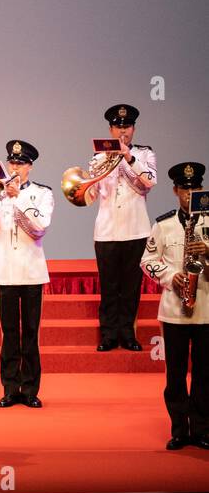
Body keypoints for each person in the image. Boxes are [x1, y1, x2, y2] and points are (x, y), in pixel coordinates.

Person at [0, 140, 53, 408]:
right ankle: (9, 387)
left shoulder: (42, 193)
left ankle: (29, 389)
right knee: (8, 333)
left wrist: (17, 200)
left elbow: (40, 227)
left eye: (20, 163)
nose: (15, 167)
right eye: (12, 162)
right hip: (5, 271)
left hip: (31, 272)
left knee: (30, 332)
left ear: (30, 166)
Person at [140, 162, 209, 450]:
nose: (189, 193)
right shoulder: (163, 224)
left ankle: (203, 429)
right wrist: (171, 276)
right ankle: (180, 429)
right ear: (175, 190)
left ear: (201, 189)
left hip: (206, 309)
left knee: (206, 373)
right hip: (174, 310)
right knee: (176, 374)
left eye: (194, 188)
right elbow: (147, 261)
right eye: (184, 189)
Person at [93, 103, 157, 352]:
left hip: (136, 228)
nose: (123, 131)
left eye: (128, 126)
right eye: (118, 127)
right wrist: (81, 189)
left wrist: (127, 158)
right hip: (106, 230)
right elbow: (91, 195)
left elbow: (148, 183)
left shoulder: (144, 154)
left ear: (133, 128)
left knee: (131, 286)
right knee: (108, 285)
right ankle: (108, 334)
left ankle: (128, 333)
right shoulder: (98, 156)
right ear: (110, 129)